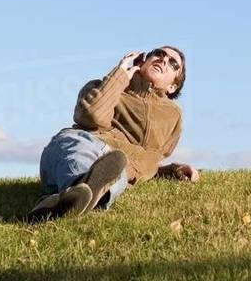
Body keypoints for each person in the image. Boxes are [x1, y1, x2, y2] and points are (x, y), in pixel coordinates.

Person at [29, 46, 200, 221]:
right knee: (100, 162)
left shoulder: (172, 116)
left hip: (115, 167)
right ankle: (80, 190)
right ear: (142, 61)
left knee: (117, 174)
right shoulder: (101, 87)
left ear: (172, 86)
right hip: (77, 146)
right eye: (159, 54)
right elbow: (91, 116)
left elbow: (148, 160)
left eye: (173, 63)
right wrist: (120, 74)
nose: (163, 60)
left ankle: (66, 201)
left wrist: (171, 170)